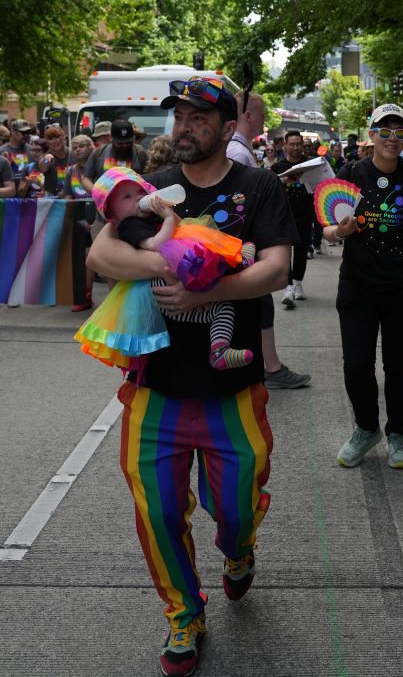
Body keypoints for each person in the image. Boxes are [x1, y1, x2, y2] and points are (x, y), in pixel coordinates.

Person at [87, 75, 297, 676]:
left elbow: (277, 270)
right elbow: (100, 256)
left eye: (200, 117)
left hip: (231, 386)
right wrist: (169, 262)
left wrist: (211, 284)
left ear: (228, 128)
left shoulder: (258, 187)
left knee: (233, 509)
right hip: (155, 385)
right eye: (179, 115)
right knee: (157, 512)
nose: (185, 126)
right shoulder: (151, 190)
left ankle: (238, 552)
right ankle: (185, 615)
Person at [323, 103, 403, 471]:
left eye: (399, 132)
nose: (392, 139)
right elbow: (328, 229)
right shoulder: (351, 173)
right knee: (357, 366)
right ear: (371, 134)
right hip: (358, 287)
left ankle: (397, 434)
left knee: (397, 366)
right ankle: (366, 428)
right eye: (384, 131)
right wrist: (338, 231)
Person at [85, 166, 256, 371]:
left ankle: (219, 348)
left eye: (140, 191)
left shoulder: (149, 216)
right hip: (163, 289)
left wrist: (169, 215)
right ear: (112, 213)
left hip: (174, 279)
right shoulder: (129, 225)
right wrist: (167, 219)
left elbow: (183, 227)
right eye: (127, 197)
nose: (137, 198)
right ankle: (237, 265)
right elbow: (156, 244)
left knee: (221, 304)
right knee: (201, 264)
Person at [227, 93, 310, 389]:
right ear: (248, 115)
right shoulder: (237, 152)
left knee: (259, 305)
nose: (265, 121)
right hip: (243, 245)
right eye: (262, 115)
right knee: (257, 303)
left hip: (245, 244)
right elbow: (239, 202)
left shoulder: (239, 149)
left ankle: (265, 366)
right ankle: (267, 368)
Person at [271, 130, 313, 307]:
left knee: (302, 250)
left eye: (299, 144)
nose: (296, 148)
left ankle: (298, 284)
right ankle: (287, 287)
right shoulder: (277, 168)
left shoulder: (310, 164)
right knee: (286, 251)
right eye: (292, 144)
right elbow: (271, 192)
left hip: (305, 213)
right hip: (284, 216)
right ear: (285, 145)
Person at [63, 133, 96, 312]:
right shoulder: (70, 171)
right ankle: (85, 296)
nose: (78, 149)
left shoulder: (98, 168)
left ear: (91, 147)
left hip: (98, 220)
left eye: (82, 145)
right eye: (75, 147)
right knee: (83, 260)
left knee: (94, 259)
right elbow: (68, 197)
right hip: (79, 223)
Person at [82, 119, 148, 194]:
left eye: (128, 143)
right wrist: (98, 193)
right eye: (120, 143)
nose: (124, 146)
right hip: (105, 203)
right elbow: (86, 179)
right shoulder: (99, 153)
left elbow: (151, 176)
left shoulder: (140, 153)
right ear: (111, 138)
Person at [36, 125, 76, 197]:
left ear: (63, 137)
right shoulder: (45, 156)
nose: (54, 141)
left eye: (57, 137)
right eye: (50, 138)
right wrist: (46, 161)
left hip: (73, 197)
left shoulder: (73, 154)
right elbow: (43, 167)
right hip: (53, 198)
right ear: (47, 142)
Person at [0, 118, 34, 184]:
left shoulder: (32, 150)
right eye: (23, 132)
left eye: (28, 132)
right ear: (13, 132)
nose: (26, 135)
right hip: (7, 192)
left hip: (27, 192)